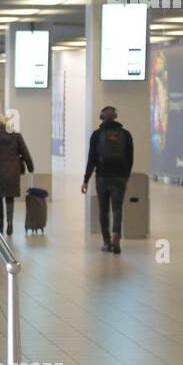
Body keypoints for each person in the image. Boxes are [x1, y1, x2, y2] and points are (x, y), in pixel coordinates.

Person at [82, 105, 134, 254]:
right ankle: (116, 238)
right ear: (116, 117)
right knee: (117, 209)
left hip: (102, 178)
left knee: (103, 210)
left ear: (101, 117)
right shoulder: (126, 135)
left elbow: (91, 159)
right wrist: (126, 176)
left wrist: (86, 180)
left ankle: (106, 242)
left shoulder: (97, 135)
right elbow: (130, 158)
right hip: (119, 178)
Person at [0, 115, 34, 236]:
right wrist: (30, 166)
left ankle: (0, 225)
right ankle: (10, 222)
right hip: (12, 172)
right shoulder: (16, 136)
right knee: (9, 198)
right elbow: (25, 152)